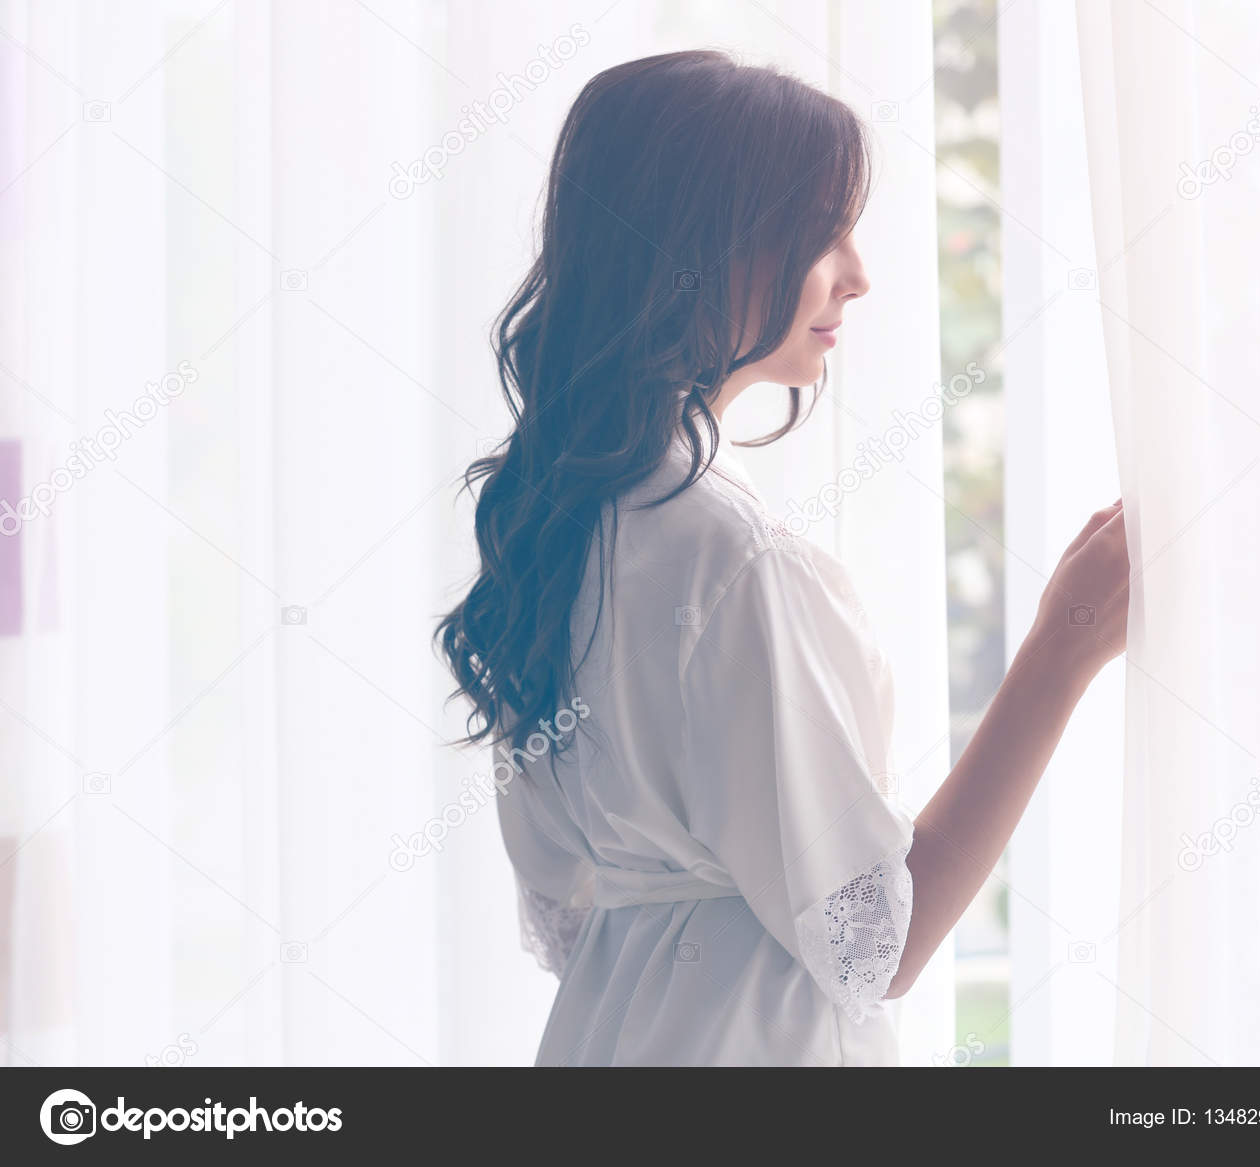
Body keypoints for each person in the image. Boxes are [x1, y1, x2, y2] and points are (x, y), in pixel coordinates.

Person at [437, 50, 1129, 1065]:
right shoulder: (736, 561)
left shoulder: (554, 526)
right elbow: (875, 948)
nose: (857, 273)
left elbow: (566, 913)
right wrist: (1065, 645)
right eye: (820, 234)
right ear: (699, 249)